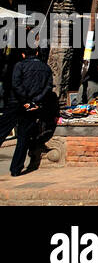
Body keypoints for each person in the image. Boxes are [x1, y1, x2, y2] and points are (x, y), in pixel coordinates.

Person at [8, 48, 55, 177]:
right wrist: (35, 101)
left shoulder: (20, 65)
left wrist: (26, 101)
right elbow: (48, 87)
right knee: (25, 136)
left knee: (20, 136)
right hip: (35, 106)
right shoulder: (46, 68)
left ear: (23, 54)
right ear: (37, 53)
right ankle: (18, 167)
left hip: (20, 105)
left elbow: (16, 84)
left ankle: (16, 168)